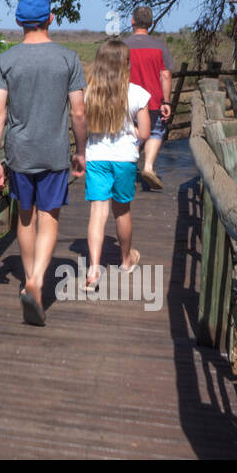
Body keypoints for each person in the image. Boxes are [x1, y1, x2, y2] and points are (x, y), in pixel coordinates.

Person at [0, 0, 87, 326]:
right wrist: (81, 151)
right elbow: (78, 111)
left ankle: (28, 275)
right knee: (50, 217)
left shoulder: (6, 60)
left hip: (19, 153)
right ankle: (37, 282)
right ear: (51, 19)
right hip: (54, 152)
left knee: (25, 216)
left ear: (18, 21)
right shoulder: (68, 59)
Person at [82, 38, 151, 290]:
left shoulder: (88, 92)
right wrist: (132, 131)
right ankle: (125, 260)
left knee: (97, 213)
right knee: (121, 210)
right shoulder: (136, 93)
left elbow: (81, 122)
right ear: (125, 64)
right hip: (124, 158)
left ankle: (93, 269)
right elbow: (145, 132)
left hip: (96, 156)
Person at [123, 7, 175, 190]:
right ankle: (148, 166)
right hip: (153, 100)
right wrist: (166, 101)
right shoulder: (159, 47)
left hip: (128, 101)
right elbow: (166, 75)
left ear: (132, 21)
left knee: (131, 133)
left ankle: (128, 170)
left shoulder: (123, 46)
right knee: (155, 132)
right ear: (151, 23)